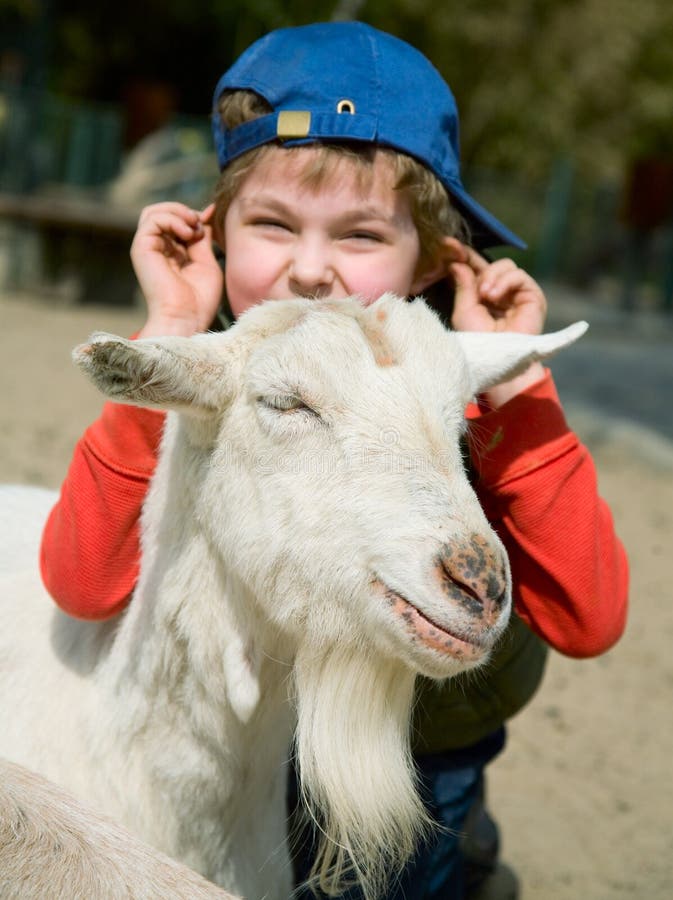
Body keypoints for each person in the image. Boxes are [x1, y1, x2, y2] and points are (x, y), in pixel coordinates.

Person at [39, 21, 628, 900]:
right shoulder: (222, 378)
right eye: (272, 225)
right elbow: (82, 583)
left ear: (434, 259)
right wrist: (170, 326)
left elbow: (588, 619)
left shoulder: (456, 385)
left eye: (357, 237)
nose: (309, 270)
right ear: (218, 233)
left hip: (416, 774)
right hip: (242, 755)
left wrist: (517, 383)